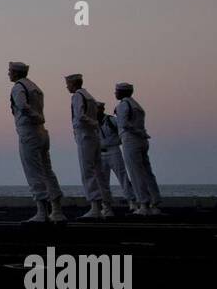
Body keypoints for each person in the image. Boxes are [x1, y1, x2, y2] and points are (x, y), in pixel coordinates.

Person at [8, 62, 66, 223]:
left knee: (34, 172)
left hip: (29, 132)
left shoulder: (18, 87)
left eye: (10, 71)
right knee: (48, 171)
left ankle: (42, 211)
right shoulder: (35, 87)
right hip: (41, 132)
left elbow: (22, 106)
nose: (8, 74)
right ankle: (56, 209)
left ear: (16, 73)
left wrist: (34, 116)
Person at [114, 82, 162, 216]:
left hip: (131, 139)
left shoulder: (123, 105)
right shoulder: (138, 106)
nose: (115, 93)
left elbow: (123, 124)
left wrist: (138, 132)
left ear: (122, 92)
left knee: (136, 173)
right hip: (142, 141)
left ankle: (143, 204)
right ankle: (155, 201)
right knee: (147, 172)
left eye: (117, 91)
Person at [64, 74, 105, 219]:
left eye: (68, 83)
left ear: (73, 84)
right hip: (93, 136)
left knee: (87, 171)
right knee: (97, 171)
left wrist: (92, 123)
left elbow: (80, 116)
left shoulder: (77, 96)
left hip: (85, 135)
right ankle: (102, 205)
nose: (67, 86)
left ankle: (94, 206)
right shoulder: (89, 97)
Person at [96, 101, 137, 213]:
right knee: (102, 181)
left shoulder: (110, 120)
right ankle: (106, 206)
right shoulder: (93, 123)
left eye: (98, 109)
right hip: (100, 153)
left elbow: (122, 129)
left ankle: (132, 201)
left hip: (113, 150)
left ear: (102, 109)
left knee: (122, 176)